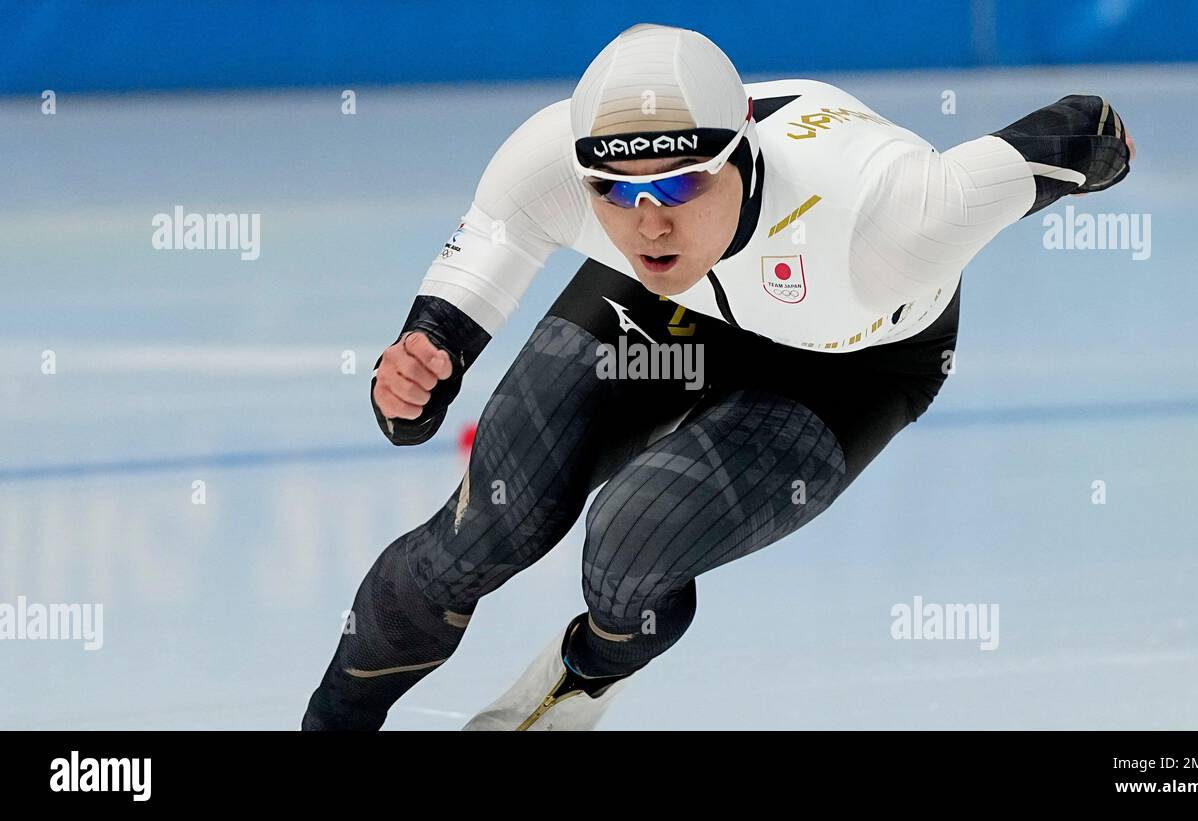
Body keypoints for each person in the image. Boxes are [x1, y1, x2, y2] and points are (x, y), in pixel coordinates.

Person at [303, 22, 1134, 730]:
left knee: (629, 551)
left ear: (743, 147)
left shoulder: (889, 220)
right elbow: (435, 346)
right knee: (484, 530)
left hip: (848, 359)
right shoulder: (564, 169)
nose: (650, 218)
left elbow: (1076, 130)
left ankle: (584, 671)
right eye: (615, 192)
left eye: (680, 182)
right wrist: (417, 373)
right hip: (668, 303)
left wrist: (1109, 146)